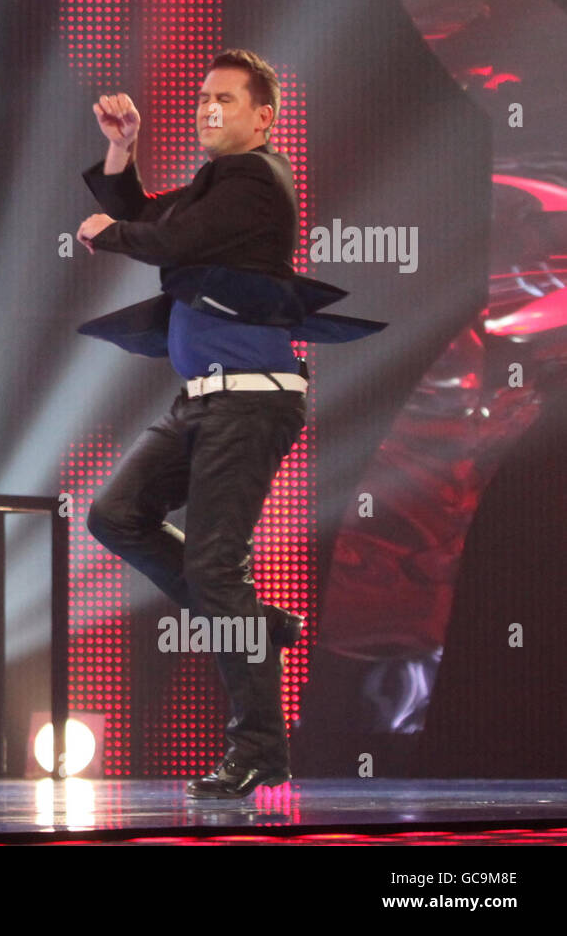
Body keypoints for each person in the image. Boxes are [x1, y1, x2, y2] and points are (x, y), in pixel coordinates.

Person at [76, 49, 380, 798]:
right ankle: (255, 620)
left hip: (252, 399)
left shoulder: (257, 181)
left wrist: (105, 233)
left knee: (216, 569)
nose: (208, 108)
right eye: (204, 98)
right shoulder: (220, 184)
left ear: (263, 116)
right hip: (204, 400)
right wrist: (122, 152)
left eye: (226, 99)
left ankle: (260, 750)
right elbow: (152, 214)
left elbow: (167, 240)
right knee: (116, 516)